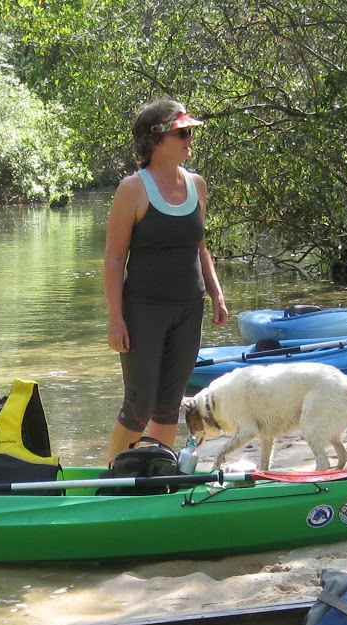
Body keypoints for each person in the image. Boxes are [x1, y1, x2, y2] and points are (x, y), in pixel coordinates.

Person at [103, 98, 229, 463]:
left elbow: (199, 244)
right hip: (144, 310)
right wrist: (116, 318)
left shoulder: (198, 185)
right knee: (139, 403)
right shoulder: (133, 189)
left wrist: (215, 292)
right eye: (183, 133)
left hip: (188, 309)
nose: (190, 139)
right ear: (156, 140)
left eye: (190, 132)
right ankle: (112, 479)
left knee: (168, 403)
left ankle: (155, 474)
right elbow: (113, 259)